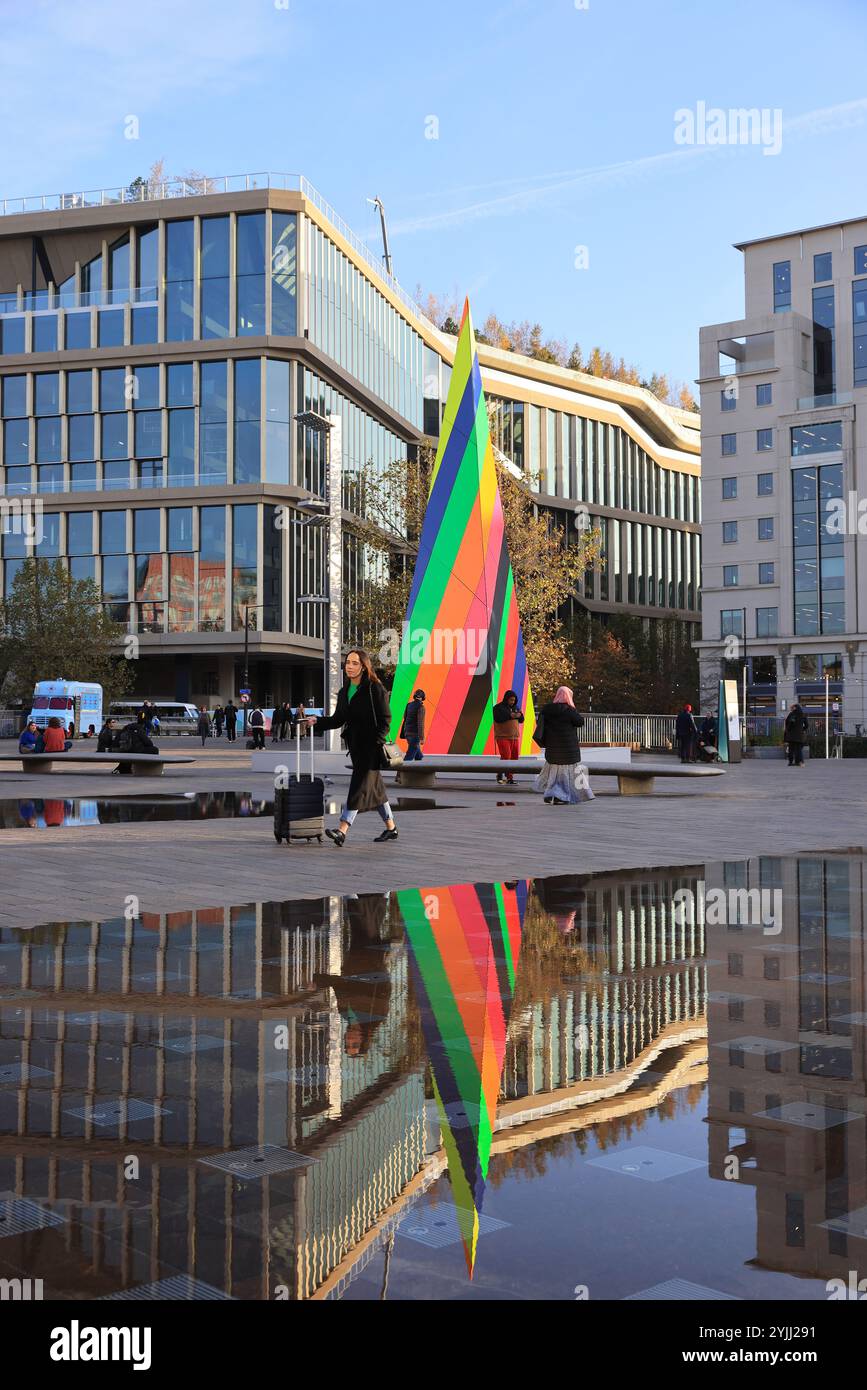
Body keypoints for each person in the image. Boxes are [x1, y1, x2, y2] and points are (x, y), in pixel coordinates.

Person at [309, 648, 398, 847]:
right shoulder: (345, 691)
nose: (350, 666)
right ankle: (391, 828)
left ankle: (342, 829)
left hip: (372, 748)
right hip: (356, 747)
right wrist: (317, 721)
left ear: (364, 667)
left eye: (355, 663)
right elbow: (338, 719)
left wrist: (377, 741)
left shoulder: (375, 688)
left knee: (358, 786)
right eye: (348, 662)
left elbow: (386, 719)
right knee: (374, 788)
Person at [533, 686, 594, 805]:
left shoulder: (547, 709)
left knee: (554, 772)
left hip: (552, 747)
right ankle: (561, 796)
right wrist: (573, 708)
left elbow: (540, 723)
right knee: (567, 774)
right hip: (568, 749)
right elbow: (580, 722)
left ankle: (551, 793)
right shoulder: (569, 710)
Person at [493, 689, 524, 784]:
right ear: (506, 699)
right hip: (502, 736)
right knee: (506, 756)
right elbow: (499, 718)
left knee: (514, 757)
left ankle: (506, 775)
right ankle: (504, 775)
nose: (512, 702)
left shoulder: (516, 707)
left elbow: (521, 719)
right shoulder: (498, 708)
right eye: (511, 700)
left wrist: (515, 715)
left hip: (514, 737)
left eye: (514, 700)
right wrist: (513, 715)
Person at [399, 689, 426, 762]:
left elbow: (405, 718)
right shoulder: (421, 707)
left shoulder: (409, 705)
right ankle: (401, 772)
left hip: (407, 732)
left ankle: (419, 772)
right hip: (415, 734)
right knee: (409, 757)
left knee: (418, 756)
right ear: (422, 697)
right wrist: (422, 737)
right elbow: (420, 723)